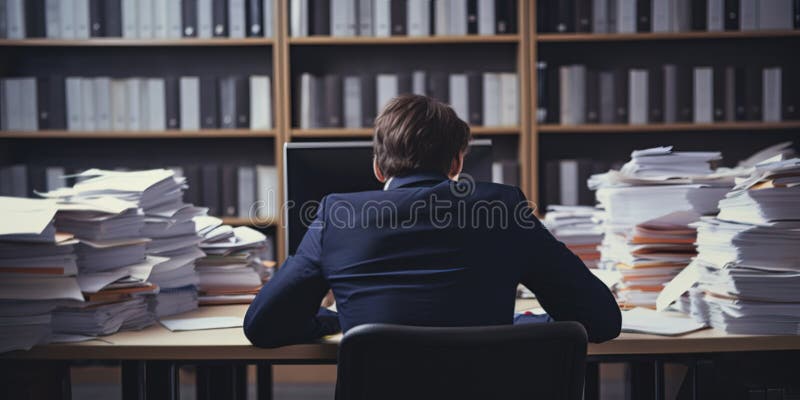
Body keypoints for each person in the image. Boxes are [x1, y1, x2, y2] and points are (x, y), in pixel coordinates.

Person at [243, 94, 621, 347]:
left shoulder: (335, 216)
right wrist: (515, 326)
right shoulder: (503, 207)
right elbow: (601, 320)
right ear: (457, 164)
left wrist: (340, 321)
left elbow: (263, 326)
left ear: (377, 167)